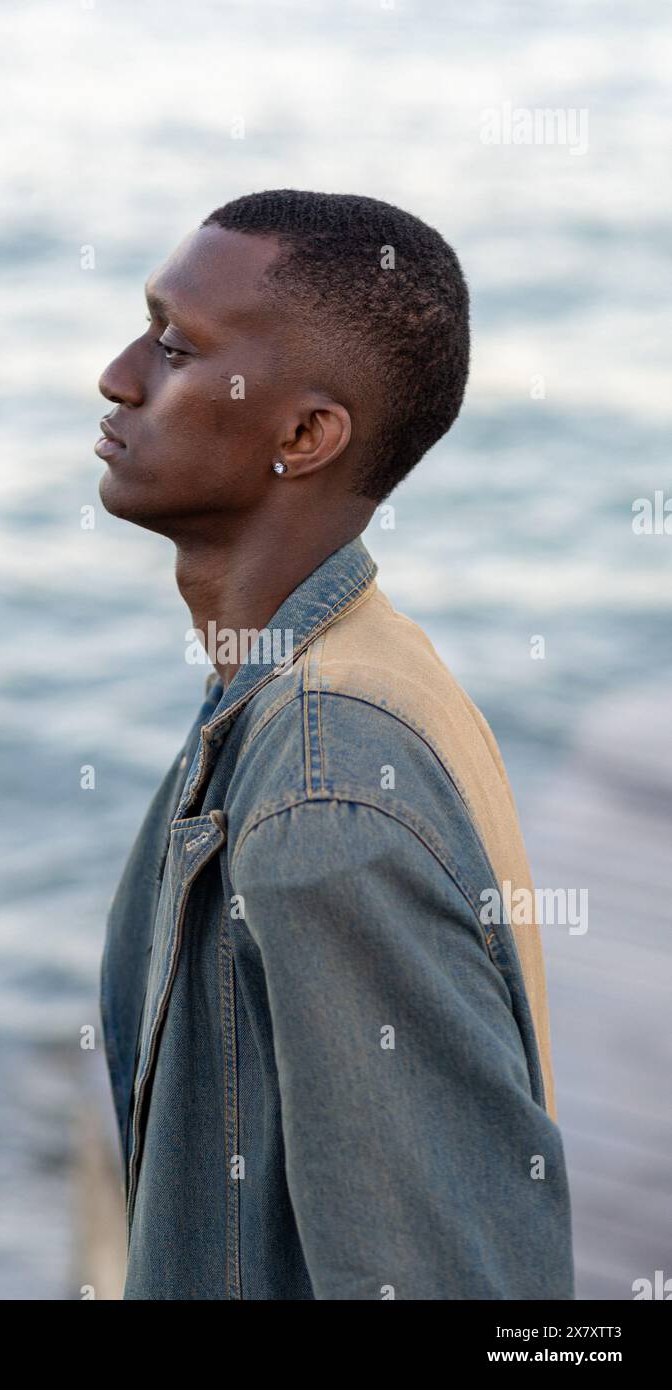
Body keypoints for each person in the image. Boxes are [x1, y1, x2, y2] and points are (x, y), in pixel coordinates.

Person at [95, 189, 575, 1300]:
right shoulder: (333, 675)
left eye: (173, 344)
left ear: (305, 436)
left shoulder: (329, 786)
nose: (119, 374)